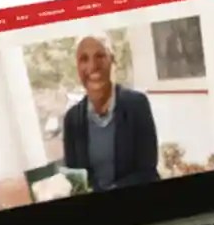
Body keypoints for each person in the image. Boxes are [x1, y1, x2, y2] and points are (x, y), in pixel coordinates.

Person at [61, 34, 160, 191]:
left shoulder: (137, 104)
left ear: (112, 60)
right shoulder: (71, 119)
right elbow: (74, 179)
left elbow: (147, 170)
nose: (93, 66)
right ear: (77, 67)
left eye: (100, 56)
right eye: (84, 59)